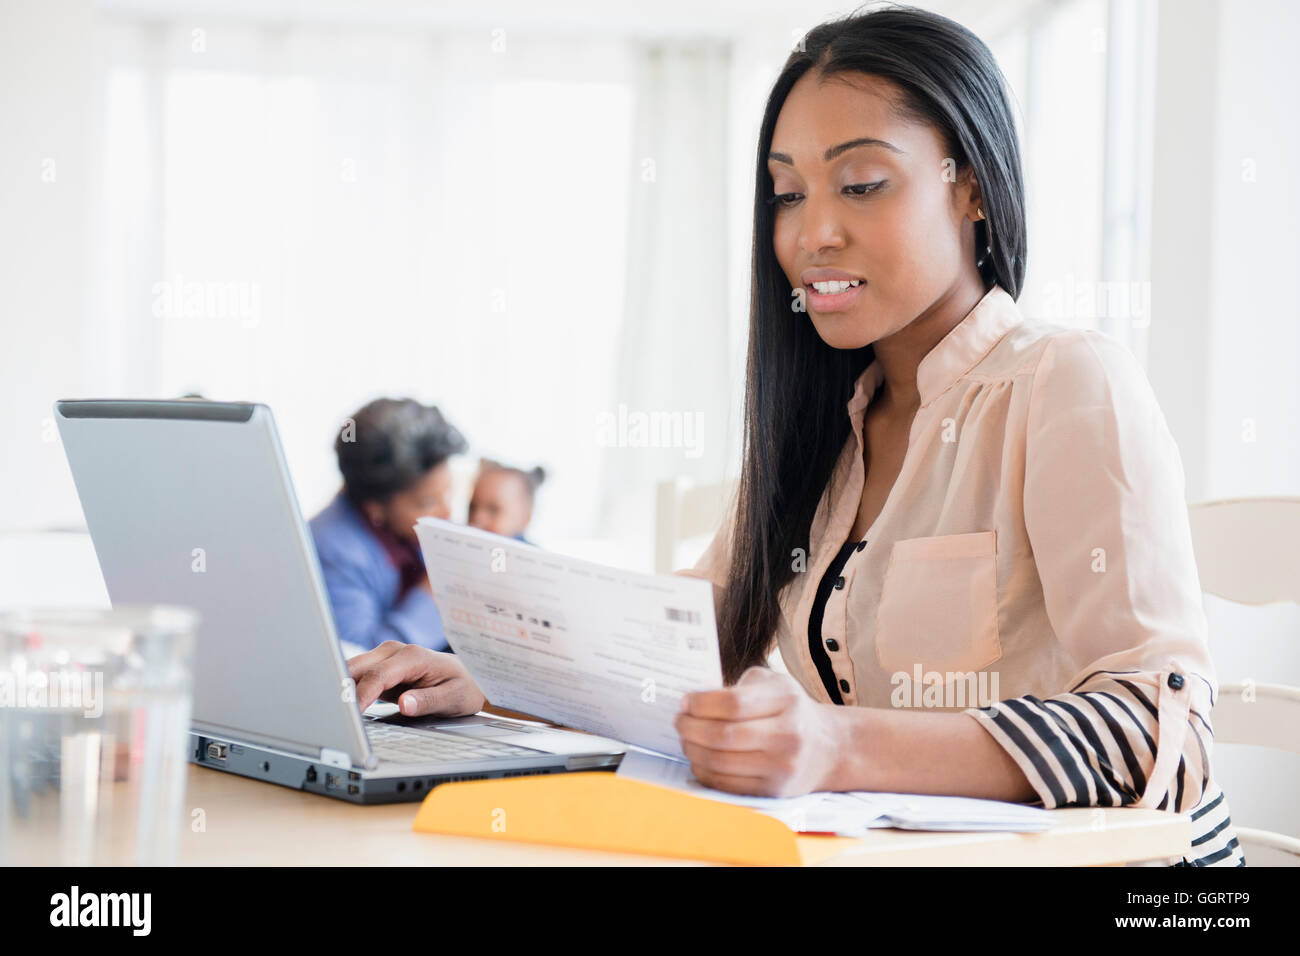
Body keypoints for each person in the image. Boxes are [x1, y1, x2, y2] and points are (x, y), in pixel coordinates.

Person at [347, 5, 1241, 866]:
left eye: (861, 184)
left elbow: (1160, 732)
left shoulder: (1067, 383)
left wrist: (838, 746)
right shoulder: (823, 426)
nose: (811, 233)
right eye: (786, 194)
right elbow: (680, 641)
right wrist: (492, 678)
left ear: (968, 185)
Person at [309, 398, 467, 652]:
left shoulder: (414, 526)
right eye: (427, 503)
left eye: (448, 493)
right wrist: (435, 595)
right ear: (375, 507)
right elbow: (360, 666)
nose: (447, 512)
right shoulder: (329, 553)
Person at [466, 458, 545, 544]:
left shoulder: (534, 556)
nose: (477, 519)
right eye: (472, 507)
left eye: (493, 510)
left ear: (525, 518)